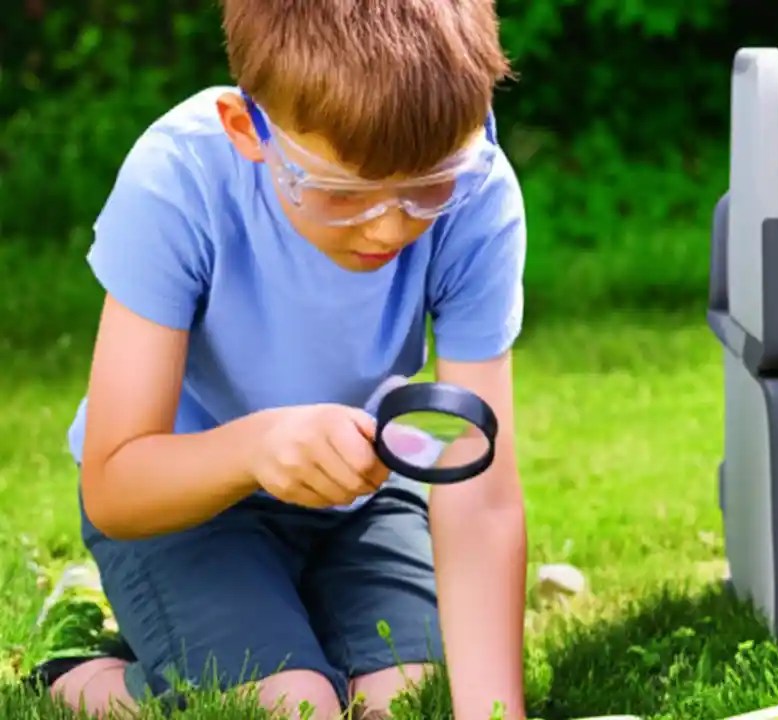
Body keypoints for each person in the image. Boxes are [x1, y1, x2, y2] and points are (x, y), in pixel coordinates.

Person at [25, 1, 528, 718]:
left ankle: (282, 627)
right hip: (182, 506)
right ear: (246, 130)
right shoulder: (180, 179)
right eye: (342, 192)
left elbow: (479, 488)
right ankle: (87, 682)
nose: (392, 224)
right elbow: (114, 483)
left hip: (361, 499)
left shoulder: (478, 197)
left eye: (428, 183)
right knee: (295, 706)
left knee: (413, 700)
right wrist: (257, 450)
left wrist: (492, 713)